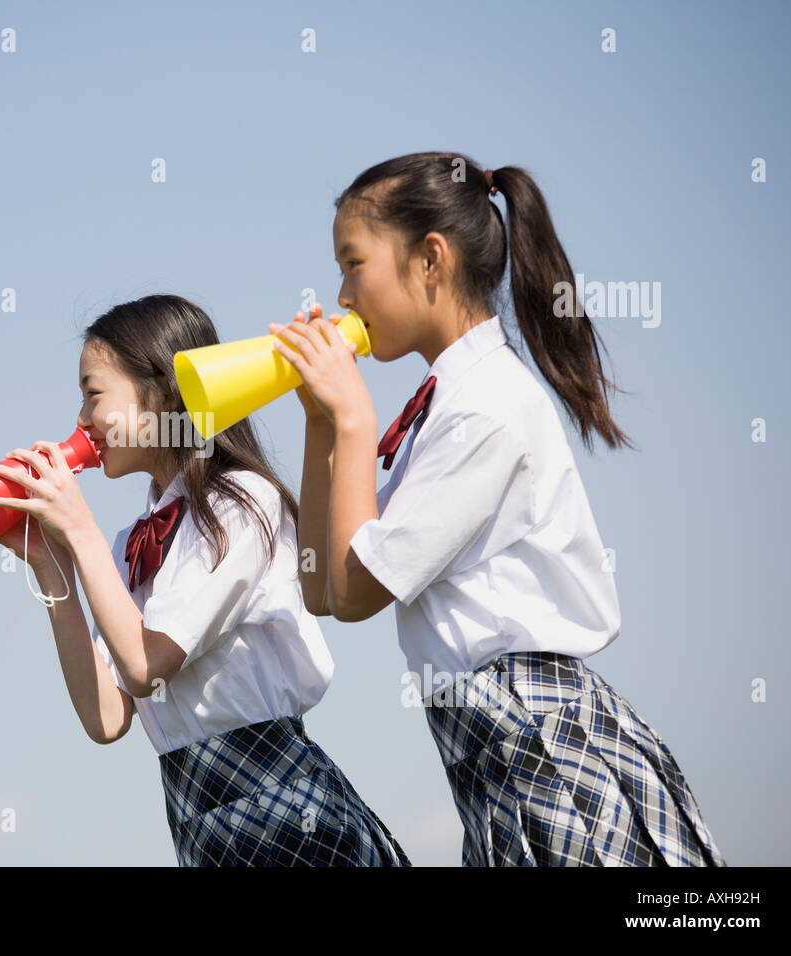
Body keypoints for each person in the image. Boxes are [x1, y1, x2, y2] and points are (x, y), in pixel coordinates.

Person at [269, 153, 725, 866]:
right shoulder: (446, 408)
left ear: (430, 260)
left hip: (543, 747)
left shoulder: (484, 408)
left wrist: (354, 422)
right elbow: (321, 587)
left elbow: (358, 591)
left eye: (353, 263)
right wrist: (321, 425)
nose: (342, 293)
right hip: (496, 760)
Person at [0, 293, 410, 867]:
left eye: (93, 394)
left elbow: (145, 663)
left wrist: (79, 530)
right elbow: (106, 717)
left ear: (159, 391)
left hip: (285, 818)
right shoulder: (132, 543)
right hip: (199, 827)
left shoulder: (242, 505)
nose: (82, 421)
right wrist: (50, 565)